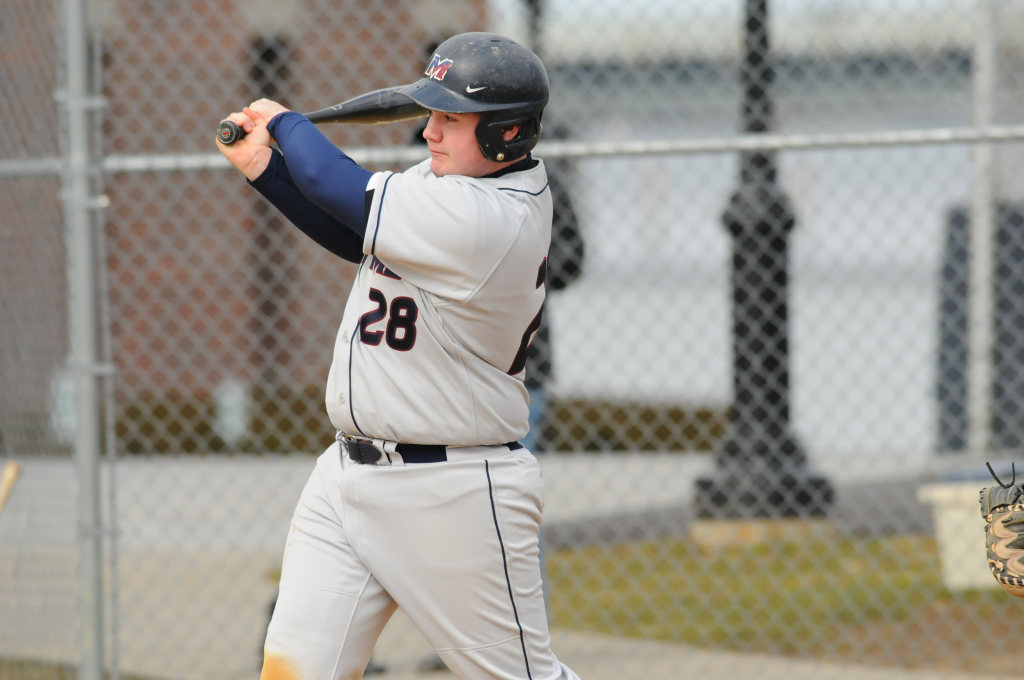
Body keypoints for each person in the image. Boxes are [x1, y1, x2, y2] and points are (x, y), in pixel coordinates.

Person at [217, 32, 582, 680]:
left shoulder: (490, 218)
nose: (430, 134)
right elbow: (357, 233)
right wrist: (268, 170)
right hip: (348, 475)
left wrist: (288, 123)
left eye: (450, 119)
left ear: (507, 135)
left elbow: (340, 187)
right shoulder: (453, 181)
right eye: (431, 115)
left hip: (453, 490)